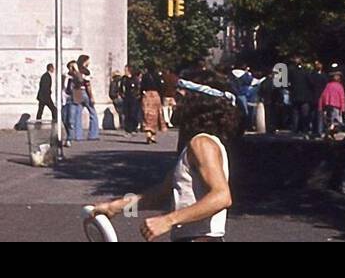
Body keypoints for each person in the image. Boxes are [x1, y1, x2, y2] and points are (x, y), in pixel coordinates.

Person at [90, 70, 241, 241]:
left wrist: (168, 220)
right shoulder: (198, 145)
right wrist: (115, 207)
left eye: (181, 96)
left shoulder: (201, 144)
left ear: (197, 102)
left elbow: (222, 196)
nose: (175, 102)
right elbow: (160, 193)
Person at [77, 54, 100, 140]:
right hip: (84, 92)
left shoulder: (76, 70)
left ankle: (77, 135)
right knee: (93, 113)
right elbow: (88, 85)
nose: (89, 63)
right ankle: (93, 134)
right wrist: (91, 96)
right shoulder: (86, 72)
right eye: (88, 61)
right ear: (85, 61)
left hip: (77, 92)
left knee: (78, 114)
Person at [318, 71, 345, 137]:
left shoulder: (328, 85)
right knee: (336, 120)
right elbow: (342, 97)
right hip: (336, 106)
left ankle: (330, 132)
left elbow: (323, 96)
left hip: (329, 105)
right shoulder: (339, 86)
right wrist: (343, 108)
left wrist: (321, 105)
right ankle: (335, 133)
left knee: (330, 120)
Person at [141, 66, 163, 144]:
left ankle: (148, 133)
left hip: (147, 95)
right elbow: (160, 87)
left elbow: (141, 87)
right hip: (156, 95)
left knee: (147, 115)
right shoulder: (157, 76)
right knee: (156, 116)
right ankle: (153, 135)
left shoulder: (145, 76)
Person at [64, 60, 83, 146]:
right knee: (64, 119)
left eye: (72, 67)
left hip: (73, 99)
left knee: (70, 120)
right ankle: (68, 135)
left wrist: (77, 70)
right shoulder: (66, 76)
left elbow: (80, 80)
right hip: (65, 99)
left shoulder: (76, 77)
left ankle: (69, 138)